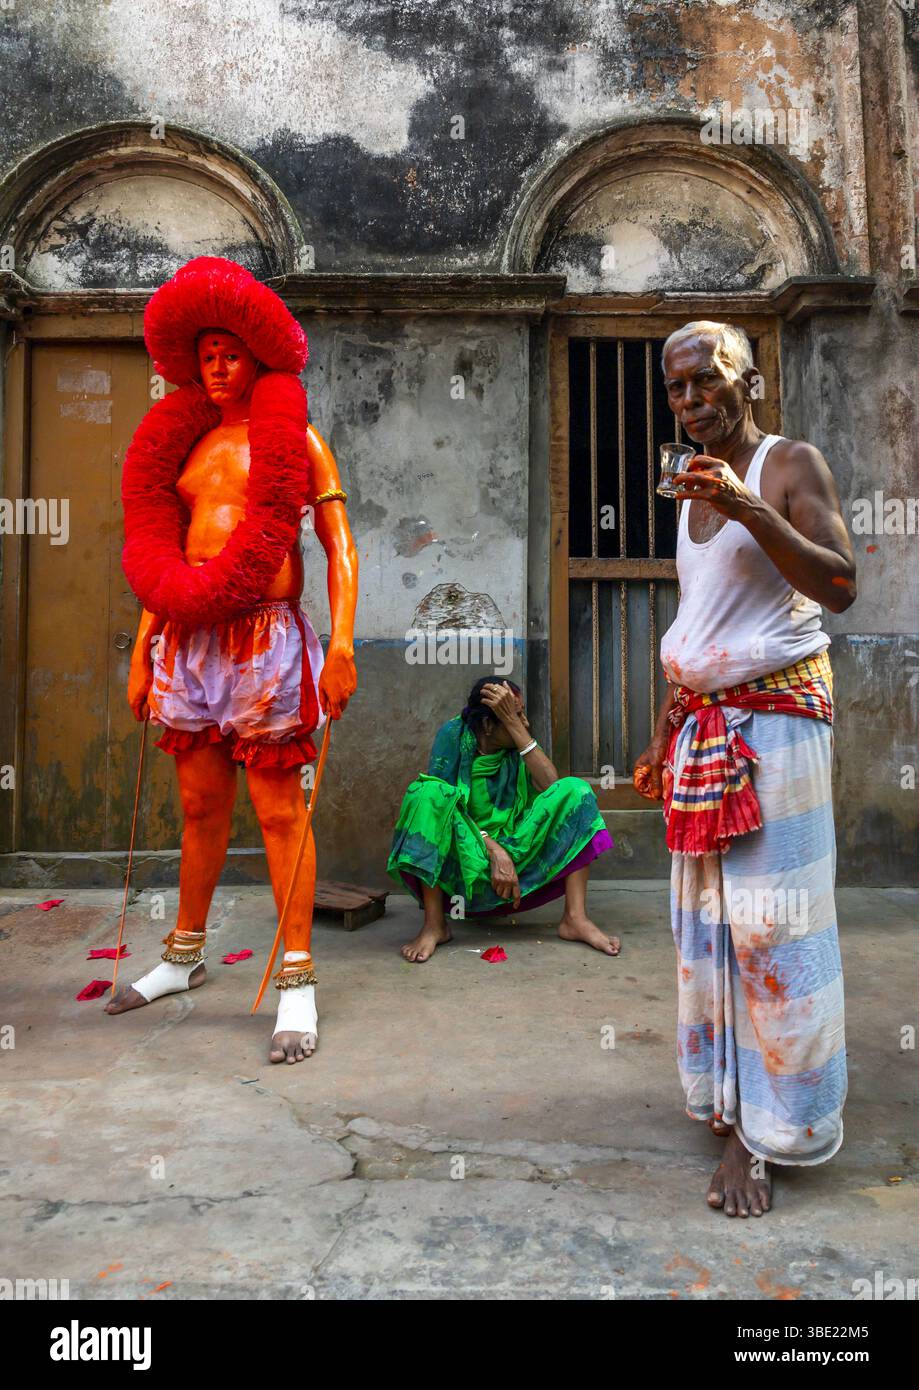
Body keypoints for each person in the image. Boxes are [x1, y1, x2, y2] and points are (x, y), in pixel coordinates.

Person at [106, 256, 358, 1065]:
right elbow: (165, 561)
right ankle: (184, 954)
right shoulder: (194, 444)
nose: (217, 368)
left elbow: (337, 545)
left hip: (267, 638)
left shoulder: (296, 439)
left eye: (230, 355)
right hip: (189, 641)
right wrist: (144, 650)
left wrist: (344, 643)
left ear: (255, 358)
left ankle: (295, 978)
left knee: (280, 811)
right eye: (205, 356)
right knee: (199, 808)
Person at [634, 319, 856, 1216]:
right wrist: (661, 732)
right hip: (704, 729)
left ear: (748, 381)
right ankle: (730, 1107)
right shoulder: (689, 491)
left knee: (776, 929)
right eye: (676, 389)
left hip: (778, 726)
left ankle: (778, 1133)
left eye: (705, 381)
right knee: (708, 931)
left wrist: (747, 506)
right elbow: (705, 627)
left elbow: (839, 584)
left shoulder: (787, 465)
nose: (690, 401)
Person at [389, 677, 618, 962]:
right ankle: (435, 925)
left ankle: (575, 918)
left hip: (517, 855)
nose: (526, 722)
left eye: (520, 713)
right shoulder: (453, 735)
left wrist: (514, 726)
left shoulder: (518, 745)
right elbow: (445, 810)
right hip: (465, 860)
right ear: (487, 726)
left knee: (577, 791)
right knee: (427, 793)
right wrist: (493, 849)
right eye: (515, 714)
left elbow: (553, 786)